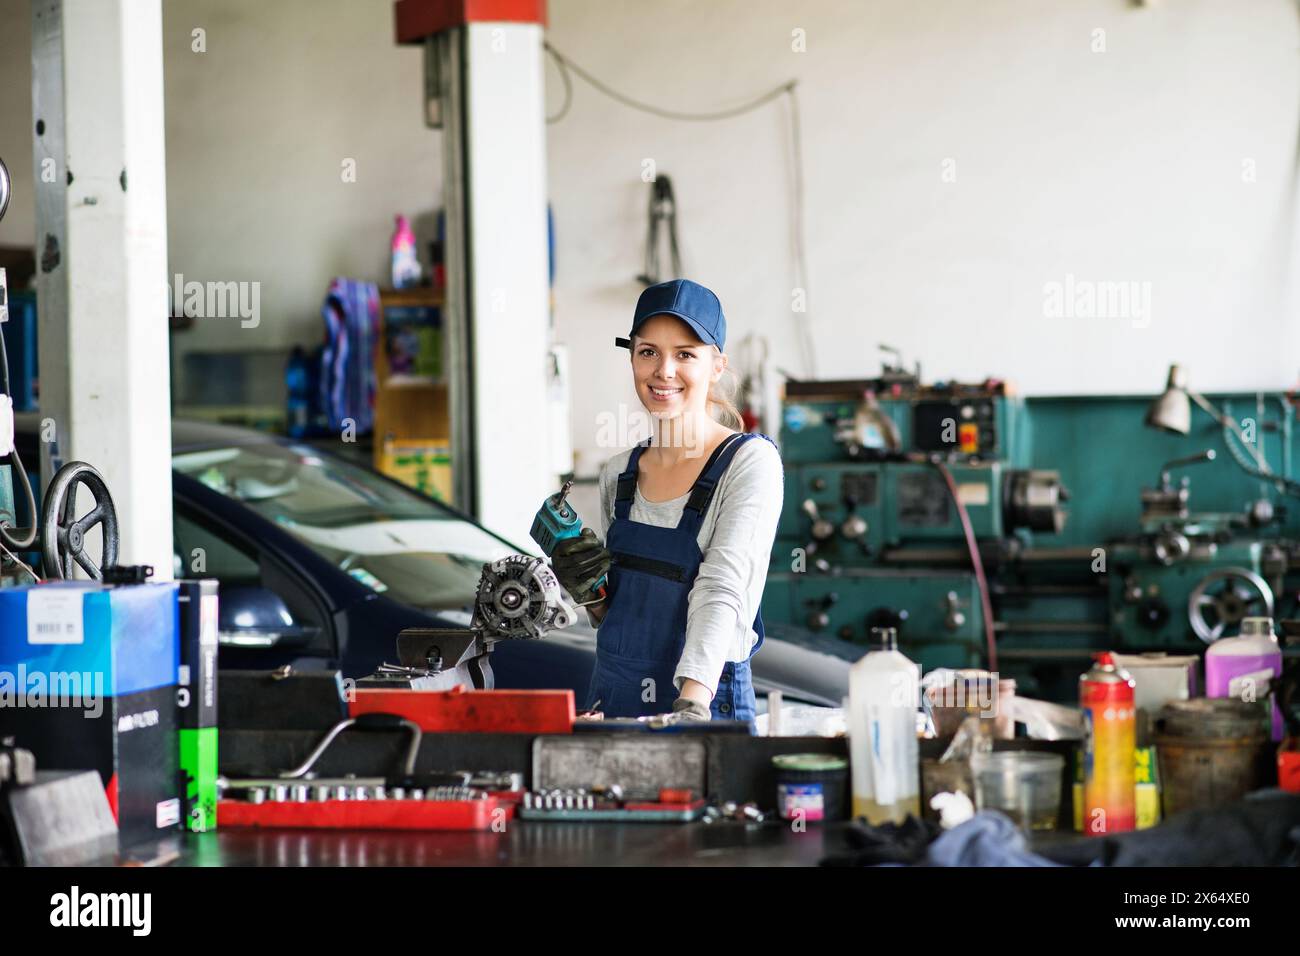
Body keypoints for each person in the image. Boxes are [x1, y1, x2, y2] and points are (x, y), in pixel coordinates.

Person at [551, 279, 784, 723]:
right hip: (613, 696)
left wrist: (692, 704)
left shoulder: (749, 463)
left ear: (717, 365)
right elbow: (619, 616)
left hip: (704, 700)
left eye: (685, 354)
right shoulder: (617, 473)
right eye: (648, 352)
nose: (664, 371)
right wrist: (590, 592)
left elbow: (722, 588)